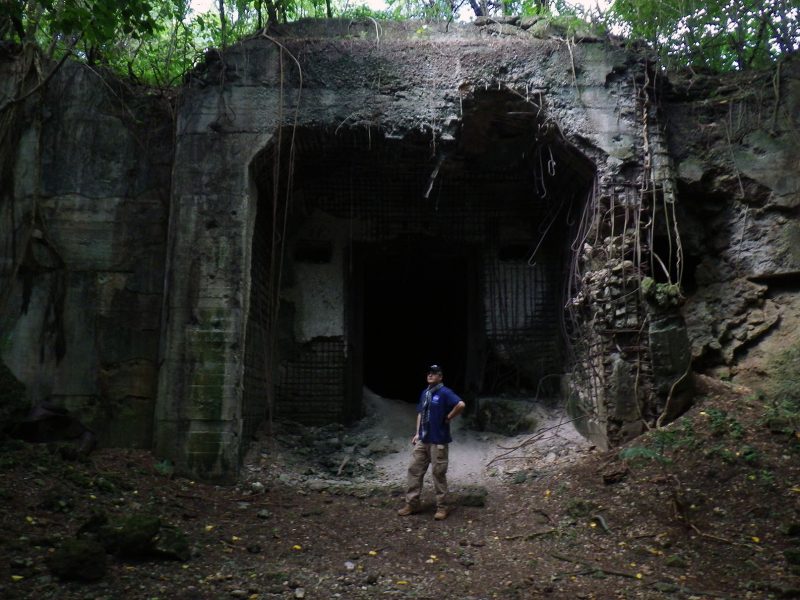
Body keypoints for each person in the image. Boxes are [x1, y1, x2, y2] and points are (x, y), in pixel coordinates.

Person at [397, 364, 466, 521]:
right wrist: (417, 433)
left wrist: (449, 417)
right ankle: (412, 504)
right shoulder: (425, 393)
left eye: (434, 373)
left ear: (440, 377)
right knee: (414, 469)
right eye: (429, 373)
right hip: (424, 438)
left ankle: (442, 507)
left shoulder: (445, 393)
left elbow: (461, 404)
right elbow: (421, 413)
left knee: (438, 473)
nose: (430, 375)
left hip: (438, 440)